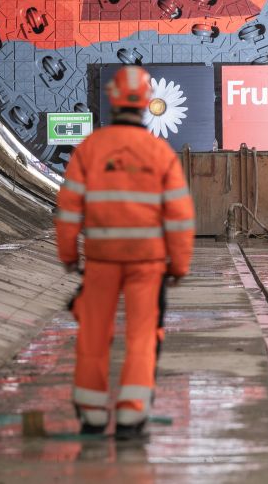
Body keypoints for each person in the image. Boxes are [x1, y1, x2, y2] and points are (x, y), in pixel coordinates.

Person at [55, 66, 195, 439]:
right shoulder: (159, 152)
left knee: (93, 335)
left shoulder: (90, 149)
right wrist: (179, 264)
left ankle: (92, 415)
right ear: (147, 103)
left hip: (100, 260)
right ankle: (132, 417)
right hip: (147, 264)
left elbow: (68, 210)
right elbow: (180, 216)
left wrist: (69, 254)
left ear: (112, 99)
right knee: (142, 336)